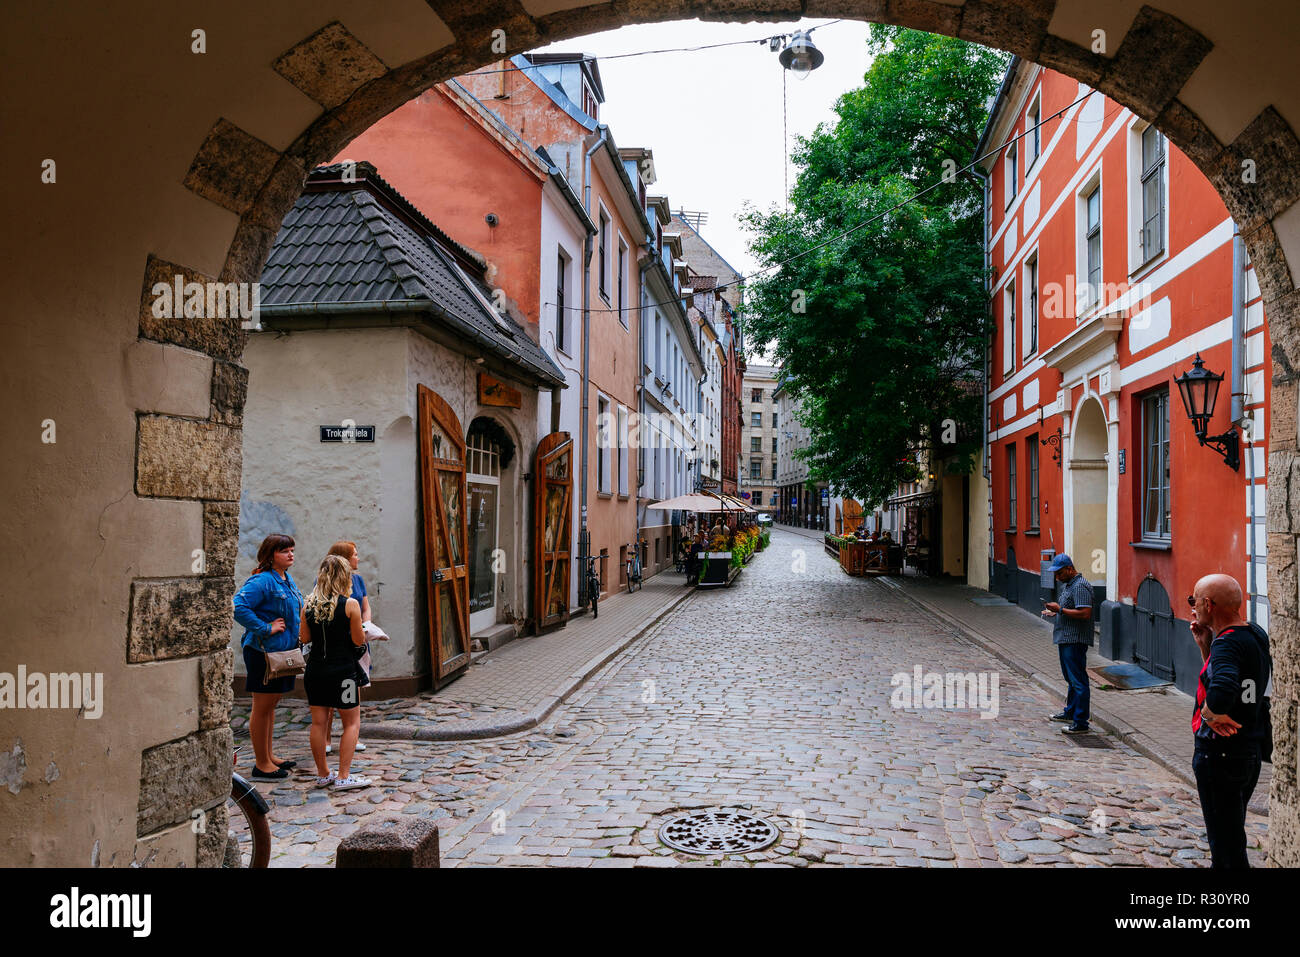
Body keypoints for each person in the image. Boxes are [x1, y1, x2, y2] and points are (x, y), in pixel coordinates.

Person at [1189, 574, 1272, 868]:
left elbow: (1223, 687)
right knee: (1230, 837)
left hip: (1219, 755)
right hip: (1248, 751)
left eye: (1194, 601)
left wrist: (1208, 713)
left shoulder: (1226, 645)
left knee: (1227, 850)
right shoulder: (1255, 634)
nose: (1192, 607)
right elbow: (1233, 678)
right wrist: (1205, 647)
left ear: (1208, 604)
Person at [232, 534, 303, 782]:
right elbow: (238, 606)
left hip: (281, 653)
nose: (290, 554)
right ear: (271, 555)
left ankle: (269, 756)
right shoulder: (262, 581)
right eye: (284, 551)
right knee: (262, 707)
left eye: (292, 550)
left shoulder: (286, 579)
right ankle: (261, 764)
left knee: (271, 706)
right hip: (263, 653)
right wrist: (265, 628)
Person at [300, 554, 372, 790]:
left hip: (316, 672)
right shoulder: (350, 604)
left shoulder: (308, 605)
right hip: (344, 674)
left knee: (318, 724)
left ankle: (323, 774)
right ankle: (343, 775)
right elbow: (358, 640)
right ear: (344, 577)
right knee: (351, 723)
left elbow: (304, 638)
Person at [323, 541, 371, 756]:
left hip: (354, 648)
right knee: (329, 699)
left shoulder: (358, 580)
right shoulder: (325, 585)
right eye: (355, 555)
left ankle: (351, 735)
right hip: (338, 650)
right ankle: (327, 739)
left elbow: (366, 607)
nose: (358, 558)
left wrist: (364, 625)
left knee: (351, 694)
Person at [1041, 554, 1094, 734]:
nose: (1057, 577)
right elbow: (1069, 610)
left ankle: (1081, 722)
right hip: (1066, 638)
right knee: (1071, 679)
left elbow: (1085, 613)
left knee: (1078, 681)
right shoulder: (1069, 585)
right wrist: (1056, 612)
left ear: (1070, 569)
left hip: (1075, 640)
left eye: (1060, 573)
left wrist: (1061, 610)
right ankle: (1070, 712)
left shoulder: (1080, 586)